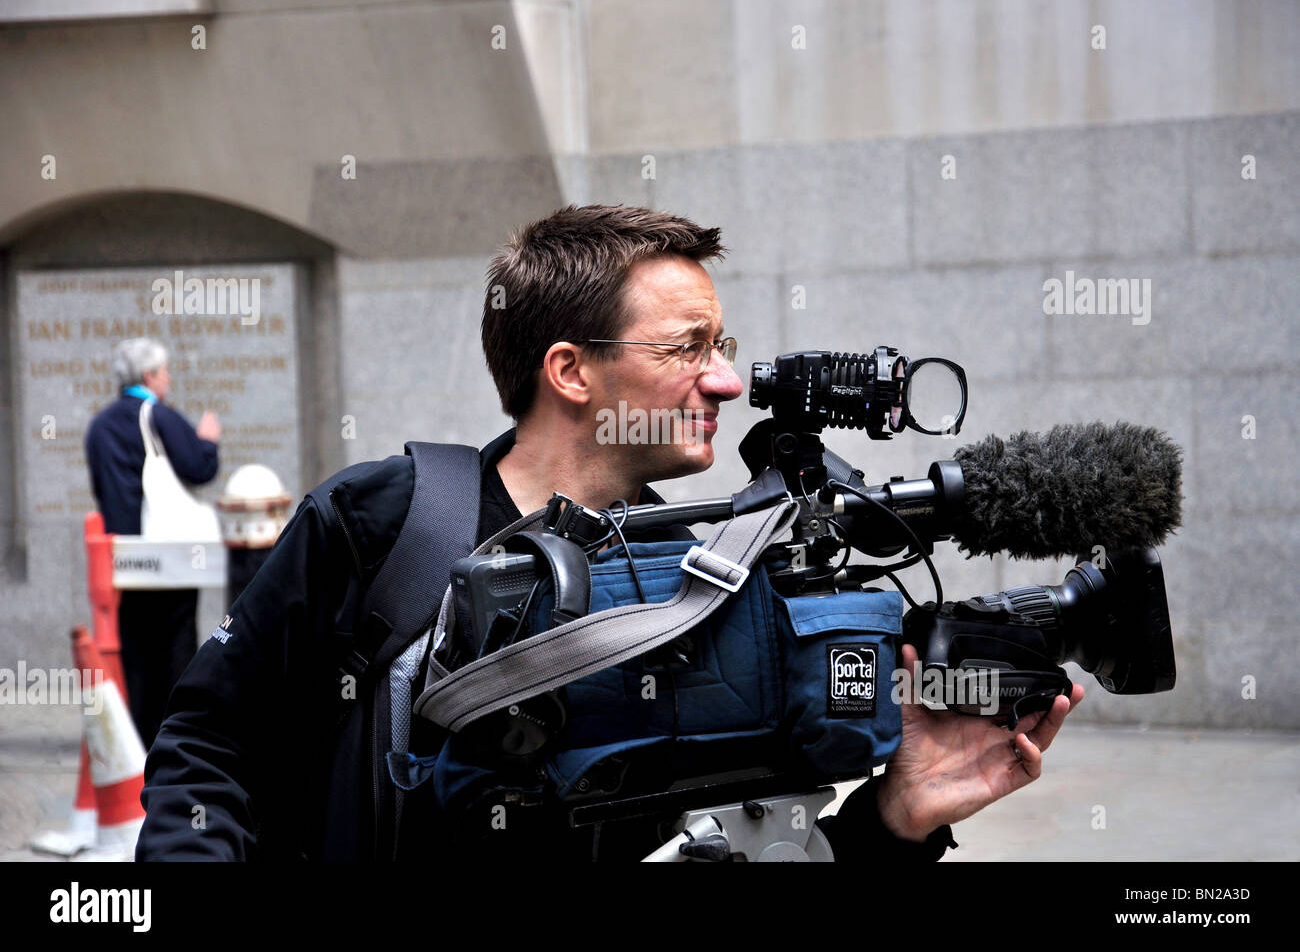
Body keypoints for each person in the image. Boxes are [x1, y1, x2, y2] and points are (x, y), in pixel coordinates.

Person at [137, 205, 1083, 861]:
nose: (723, 381)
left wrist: (898, 819)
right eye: (687, 348)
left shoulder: (726, 571)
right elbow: (209, 740)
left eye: (725, 348)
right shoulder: (389, 523)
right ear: (571, 371)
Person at [85, 337, 222, 749]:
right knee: (176, 644)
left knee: (136, 649)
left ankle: (138, 738)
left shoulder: (99, 426)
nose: (168, 379)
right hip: (167, 556)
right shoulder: (158, 415)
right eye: (164, 372)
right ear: (148, 376)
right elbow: (199, 468)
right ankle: (177, 734)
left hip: (124, 559)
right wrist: (208, 439)